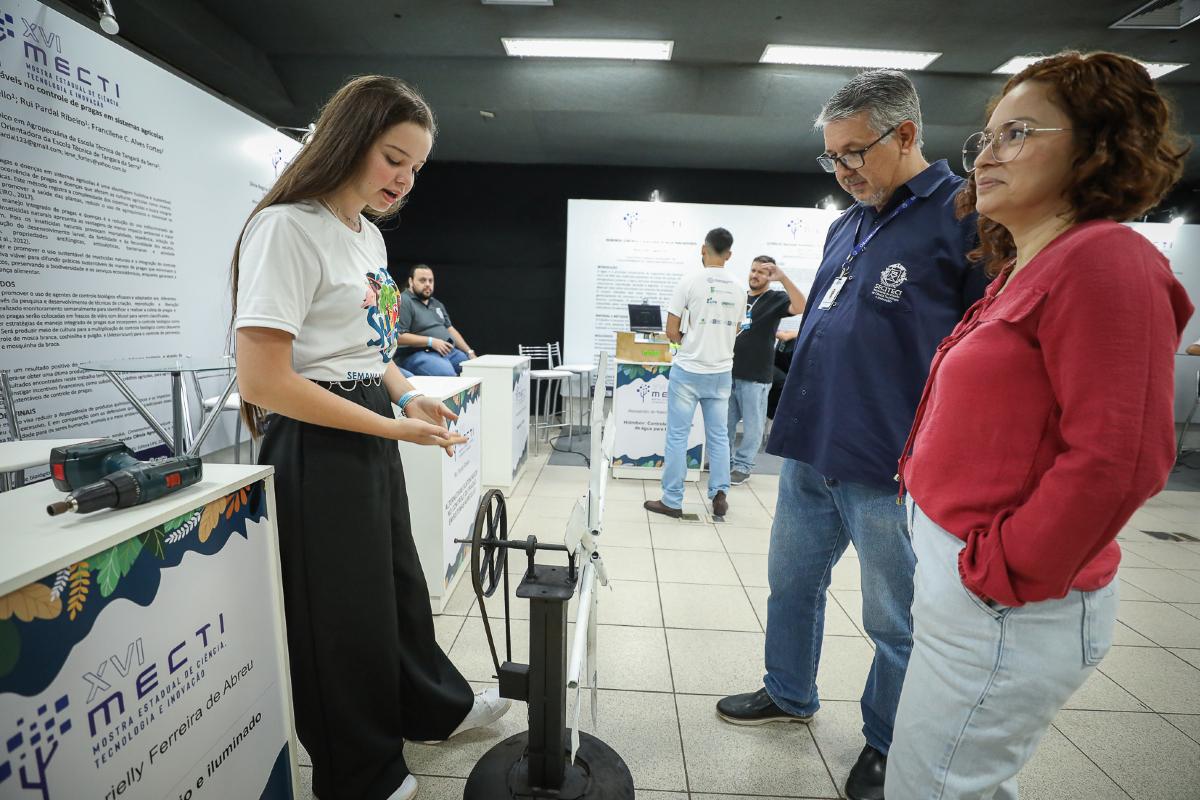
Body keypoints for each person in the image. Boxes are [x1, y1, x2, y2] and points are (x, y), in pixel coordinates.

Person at [888, 51, 1193, 798]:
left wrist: (1003, 573)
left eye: (1017, 133)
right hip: (972, 579)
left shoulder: (1105, 261)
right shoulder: (1029, 265)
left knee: (934, 787)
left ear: (1096, 144)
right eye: (985, 138)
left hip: (1007, 600)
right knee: (956, 780)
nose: (986, 156)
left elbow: (1123, 457)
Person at [231, 76, 509, 800]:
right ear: (348, 139)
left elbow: (372, 344)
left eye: (415, 167)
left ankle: (429, 706)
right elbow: (263, 380)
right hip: (316, 444)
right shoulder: (286, 227)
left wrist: (409, 395)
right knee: (339, 616)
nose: (403, 179)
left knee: (395, 587)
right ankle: (359, 773)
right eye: (393, 157)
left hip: (365, 429)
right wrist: (385, 422)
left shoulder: (368, 235)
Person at [716, 69, 988, 800]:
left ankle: (888, 744)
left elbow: (985, 346)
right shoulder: (849, 220)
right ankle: (788, 690)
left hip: (891, 461)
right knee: (791, 585)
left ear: (906, 135)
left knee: (895, 620)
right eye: (831, 158)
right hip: (812, 446)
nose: (842, 172)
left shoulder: (965, 214)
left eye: (853, 153)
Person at [645, 227, 743, 519]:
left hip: (688, 370)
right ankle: (719, 493)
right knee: (719, 437)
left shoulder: (688, 282)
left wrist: (686, 341)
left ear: (703, 249)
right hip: (722, 372)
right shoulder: (739, 288)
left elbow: (671, 331)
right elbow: (737, 328)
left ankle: (672, 500)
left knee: (677, 436)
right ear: (729, 254)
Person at [728, 256, 806, 484]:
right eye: (753, 270)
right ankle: (725, 462)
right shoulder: (741, 298)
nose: (755, 275)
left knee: (753, 426)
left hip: (756, 376)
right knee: (725, 425)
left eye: (761, 272)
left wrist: (782, 278)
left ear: (769, 276)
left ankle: (743, 466)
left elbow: (801, 306)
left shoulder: (775, 299)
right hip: (729, 372)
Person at [395, 264, 476, 376]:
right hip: (416, 354)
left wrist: (469, 352)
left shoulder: (436, 304)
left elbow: (450, 329)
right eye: (422, 280)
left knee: (474, 370)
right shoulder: (404, 301)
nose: (428, 284)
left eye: (430, 280)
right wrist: (431, 341)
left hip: (447, 352)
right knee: (447, 375)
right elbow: (398, 336)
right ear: (411, 281)